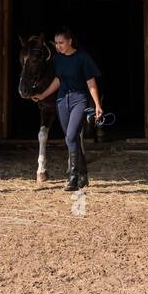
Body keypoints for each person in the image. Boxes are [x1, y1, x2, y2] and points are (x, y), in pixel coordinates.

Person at [31, 27, 103, 190]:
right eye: (56, 43)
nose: (58, 46)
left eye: (61, 43)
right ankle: (83, 174)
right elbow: (58, 80)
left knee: (71, 136)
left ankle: (73, 177)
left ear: (70, 41)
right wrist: (42, 95)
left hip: (79, 99)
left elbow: (91, 83)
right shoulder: (57, 59)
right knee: (72, 138)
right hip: (62, 100)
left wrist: (97, 104)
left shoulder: (82, 57)